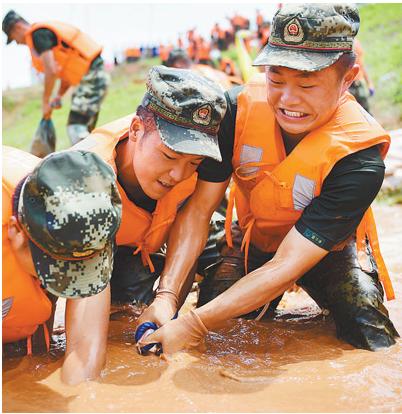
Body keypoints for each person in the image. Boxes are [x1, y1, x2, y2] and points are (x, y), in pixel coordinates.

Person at [137, 4, 399, 355]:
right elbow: (199, 210)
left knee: (368, 325)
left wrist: (194, 324)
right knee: (222, 333)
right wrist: (168, 299)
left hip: (328, 251)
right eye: (276, 79)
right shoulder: (237, 110)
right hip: (252, 242)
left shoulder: (359, 157)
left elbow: (289, 262)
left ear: (347, 79)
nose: (287, 100)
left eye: (307, 82)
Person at [71, 65, 227, 313]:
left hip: (161, 236)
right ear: (135, 130)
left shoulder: (201, 157)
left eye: (193, 163)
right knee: (121, 313)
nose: (179, 174)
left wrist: (169, 304)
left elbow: (191, 232)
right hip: (112, 250)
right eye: (168, 156)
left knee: (231, 265)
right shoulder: (82, 178)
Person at [2, 147, 122, 384]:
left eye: (81, 269)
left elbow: (85, 357)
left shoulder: (86, 217)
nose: (72, 282)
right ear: (16, 232)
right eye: (59, 271)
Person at [2, 10, 110, 145]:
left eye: (13, 38)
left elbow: (50, 70)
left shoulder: (37, 35)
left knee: (75, 127)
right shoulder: (42, 35)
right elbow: (67, 72)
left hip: (93, 77)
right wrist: (58, 95)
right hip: (93, 78)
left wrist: (45, 101)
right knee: (84, 130)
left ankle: (90, 164)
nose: (17, 43)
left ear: (17, 27)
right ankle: (95, 159)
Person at [348, 38, 375, 113]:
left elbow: (361, 65)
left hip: (357, 84)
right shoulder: (339, 44)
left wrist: (369, 83)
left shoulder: (356, 43)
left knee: (366, 113)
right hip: (346, 87)